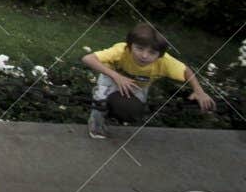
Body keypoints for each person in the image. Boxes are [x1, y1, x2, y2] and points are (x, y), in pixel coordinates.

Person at [82, 22, 214, 139]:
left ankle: (114, 111)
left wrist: (199, 91)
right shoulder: (121, 50)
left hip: (138, 86)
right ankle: (96, 124)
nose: (144, 56)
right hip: (111, 78)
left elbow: (186, 71)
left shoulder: (165, 62)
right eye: (139, 48)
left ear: (160, 55)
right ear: (129, 46)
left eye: (152, 53)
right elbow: (88, 58)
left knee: (131, 111)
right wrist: (116, 76)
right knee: (101, 101)